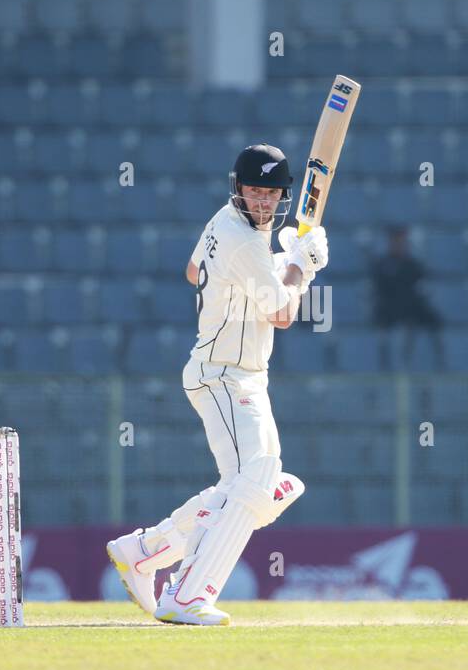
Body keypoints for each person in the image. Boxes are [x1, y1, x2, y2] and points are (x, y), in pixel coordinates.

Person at [105, 145, 326, 626]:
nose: (264, 203)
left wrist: (270, 268)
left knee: (267, 488)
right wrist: (301, 267)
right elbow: (283, 313)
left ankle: (144, 550)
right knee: (256, 479)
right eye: (255, 192)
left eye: (272, 194)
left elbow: (192, 272)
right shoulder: (245, 241)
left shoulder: (226, 224)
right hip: (224, 374)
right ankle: (185, 597)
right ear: (238, 189)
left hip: (243, 374)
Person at [371, 226, 443, 366]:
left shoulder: (413, 264)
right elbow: (379, 289)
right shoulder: (382, 264)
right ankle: (387, 362)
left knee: (434, 319)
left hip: (411, 306)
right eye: (396, 241)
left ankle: (436, 361)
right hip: (389, 307)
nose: (399, 245)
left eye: (402, 242)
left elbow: (421, 284)